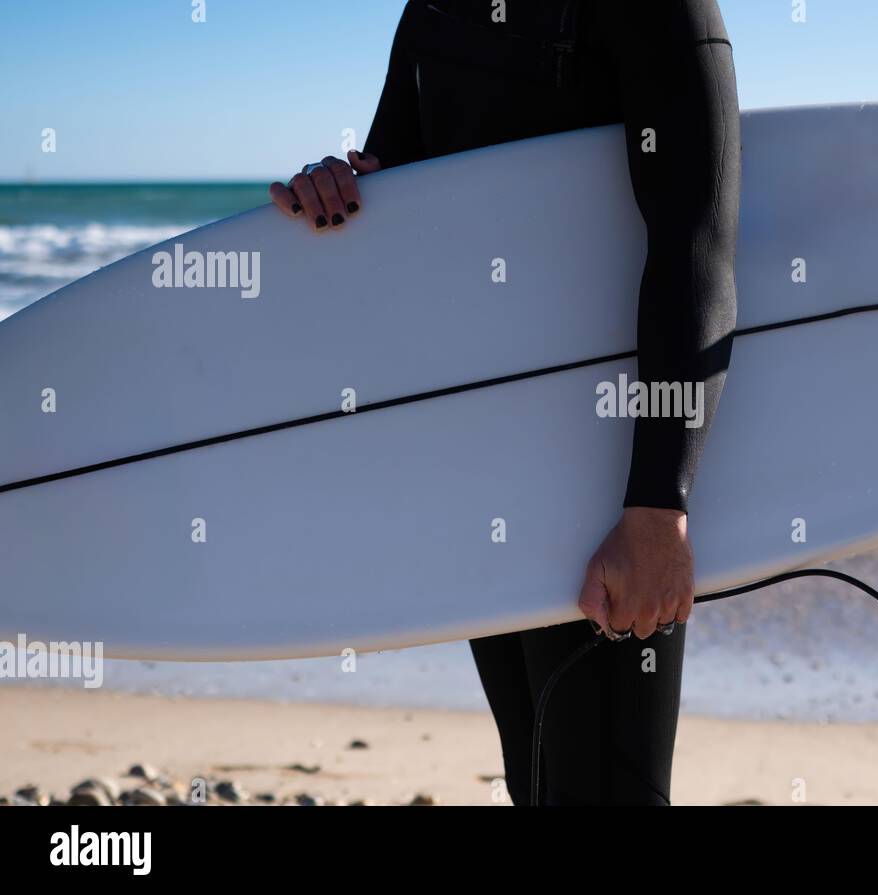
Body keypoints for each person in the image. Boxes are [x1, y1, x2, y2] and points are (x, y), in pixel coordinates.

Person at [268, 0, 740, 806]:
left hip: (612, 479)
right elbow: (402, 207)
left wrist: (660, 506)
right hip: (489, 476)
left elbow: (694, 248)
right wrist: (334, 195)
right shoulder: (435, 11)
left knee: (607, 790)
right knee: (538, 779)